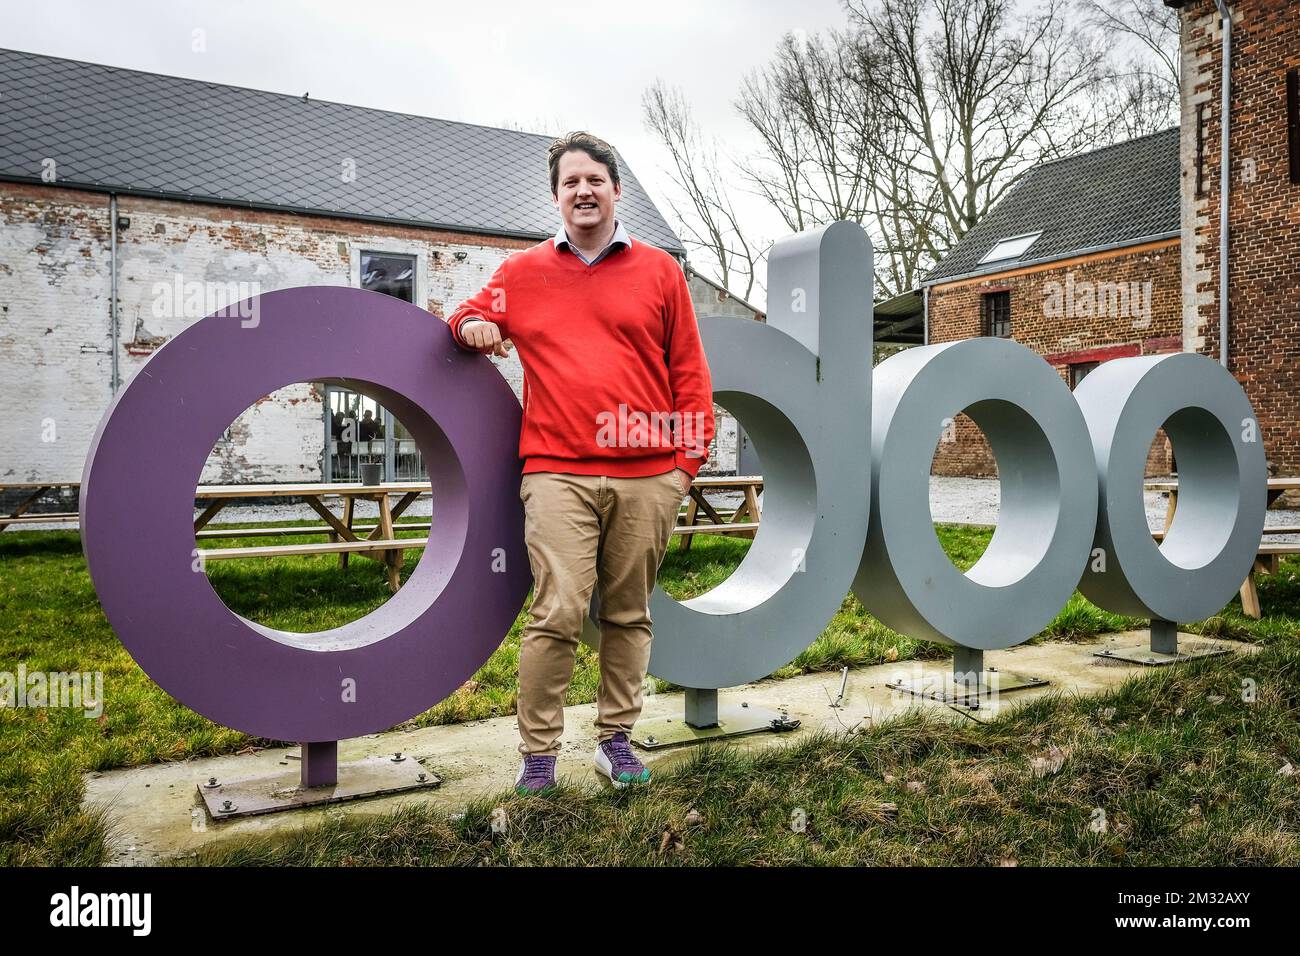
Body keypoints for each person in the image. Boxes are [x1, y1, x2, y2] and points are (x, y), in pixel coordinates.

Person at [445, 131, 714, 794]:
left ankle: (614, 742)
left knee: (627, 612)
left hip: (648, 474)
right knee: (559, 609)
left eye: (595, 179)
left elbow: (690, 375)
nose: (584, 191)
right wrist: (471, 329)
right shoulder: (524, 273)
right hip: (556, 470)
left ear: (616, 191)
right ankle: (539, 753)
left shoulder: (660, 272)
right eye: (571, 182)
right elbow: (467, 316)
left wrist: (684, 468)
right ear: (557, 197)